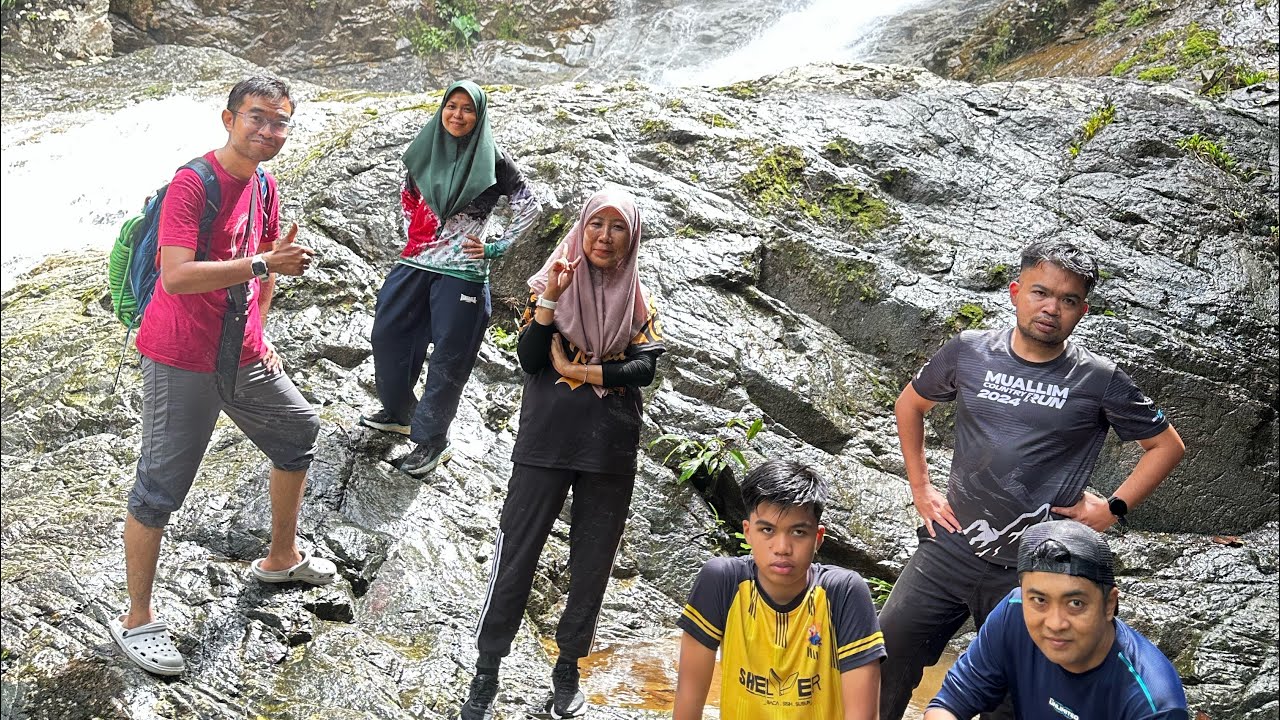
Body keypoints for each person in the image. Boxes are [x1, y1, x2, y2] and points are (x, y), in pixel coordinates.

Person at [879, 240, 1186, 720]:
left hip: (1035, 571)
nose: (1051, 308)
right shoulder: (969, 351)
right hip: (951, 545)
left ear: (1082, 311)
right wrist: (921, 488)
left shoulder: (1098, 378)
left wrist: (1112, 509)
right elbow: (910, 404)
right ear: (1015, 291)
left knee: (1010, 699)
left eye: (1067, 300)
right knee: (888, 651)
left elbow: (1167, 445)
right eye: (1041, 292)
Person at [110, 75, 336, 677]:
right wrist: (265, 263)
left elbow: (263, 266)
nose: (268, 130)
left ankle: (280, 555)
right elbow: (178, 275)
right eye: (257, 118)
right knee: (160, 487)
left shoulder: (264, 181)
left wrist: (261, 329)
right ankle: (135, 619)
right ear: (228, 118)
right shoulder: (195, 183)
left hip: (242, 354)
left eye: (280, 121)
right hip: (181, 354)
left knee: (298, 432)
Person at [458, 189, 665, 720]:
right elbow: (530, 358)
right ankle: (487, 671)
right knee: (517, 553)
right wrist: (551, 300)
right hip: (544, 443)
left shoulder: (638, 298)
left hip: (610, 449)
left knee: (592, 565)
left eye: (618, 227)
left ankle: (567, 670)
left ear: (631, 238)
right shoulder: (549, 282)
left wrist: (579, 372)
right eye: (595, 223)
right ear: (581, 228)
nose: (604, 236)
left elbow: (644, 368)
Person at [359, 79, 541, 477]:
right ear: (442, 109)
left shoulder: (493, 160)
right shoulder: (425, 150)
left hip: (463, 275)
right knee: (388, 336)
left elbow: (530, 205)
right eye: (452, 106)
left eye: (467, 109)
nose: (458, 115)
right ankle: (398, 412)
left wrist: (495, 246)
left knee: (448, 360)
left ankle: (431, 441)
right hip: (416, 263)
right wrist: (420, 235)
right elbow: (408, 195)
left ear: (479, 116)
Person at [674, 459, 886, 720]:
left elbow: (863, 716)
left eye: (798, 532)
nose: (782, 547)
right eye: (767, 530)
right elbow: (687, 704)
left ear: (818, 538)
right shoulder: (722, 582)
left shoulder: (843, 593)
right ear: (748, 532)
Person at [925, 520, 1189, 719]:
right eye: (1039, 600)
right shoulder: (1014, 612)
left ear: (1109, 604)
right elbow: (949, 703)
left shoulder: (1152, 703)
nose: (1055, 623)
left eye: (1076, 604)